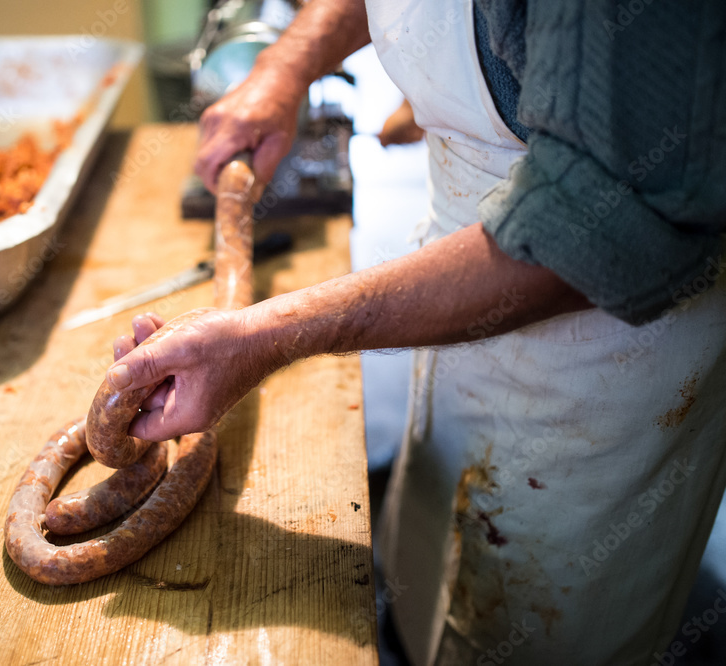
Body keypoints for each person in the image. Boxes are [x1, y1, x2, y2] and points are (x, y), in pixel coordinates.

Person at [106, 1, 726, 663]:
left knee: (536, 627)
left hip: (605, 362)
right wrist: (284, 64)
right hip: (460, 291)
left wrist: (266, 337)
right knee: (426, 568)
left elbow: (597, 225)